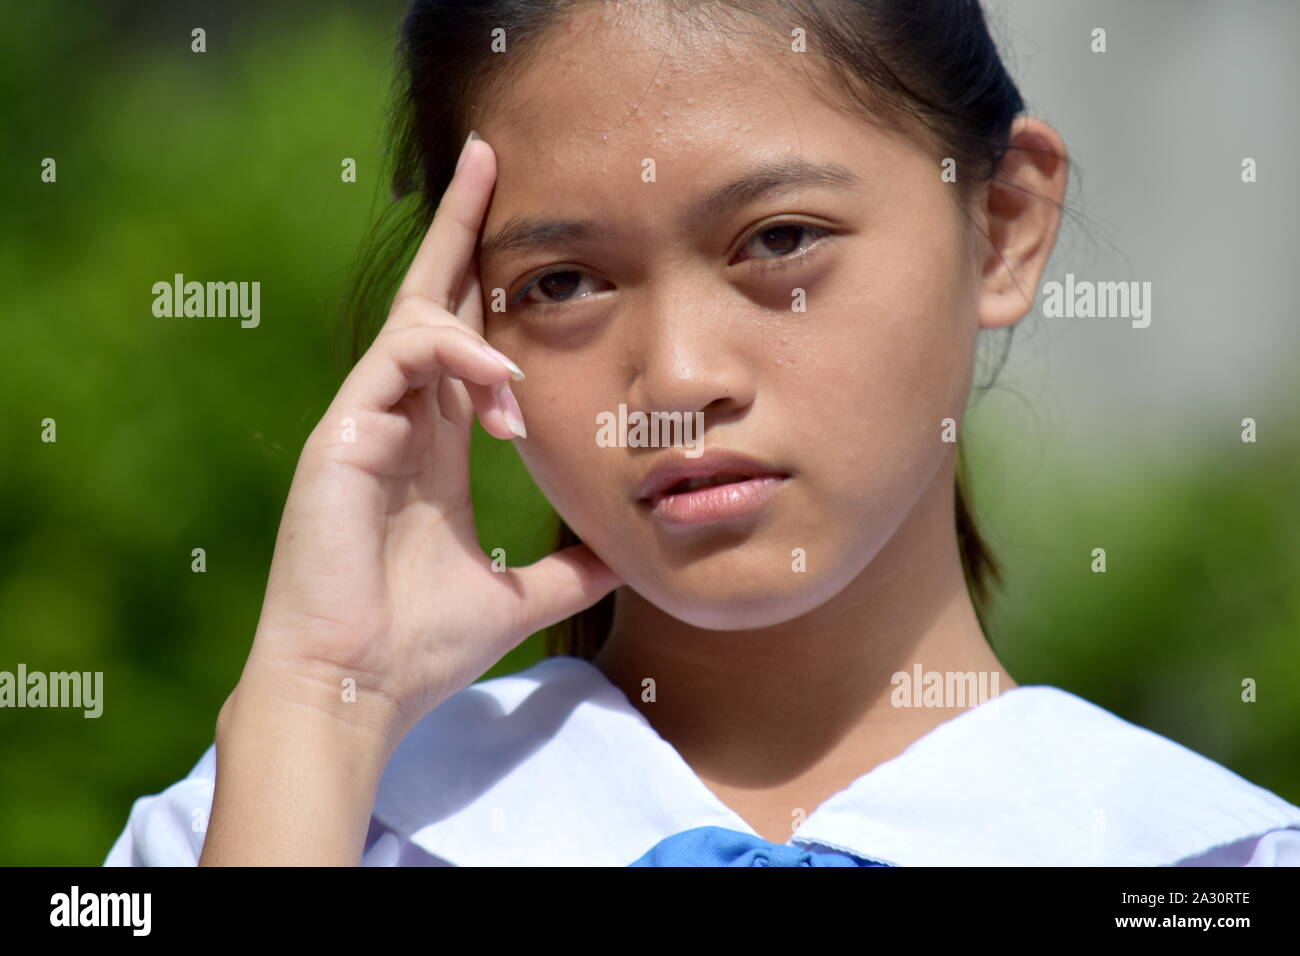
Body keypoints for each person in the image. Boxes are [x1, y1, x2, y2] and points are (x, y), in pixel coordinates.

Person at [104, 0, 1300, 867]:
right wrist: (326, 698)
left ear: (1001, 221)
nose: (677, 378)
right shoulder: (276, 821)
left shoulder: (1210, 853)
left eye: (779, 240)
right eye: (562, 281)